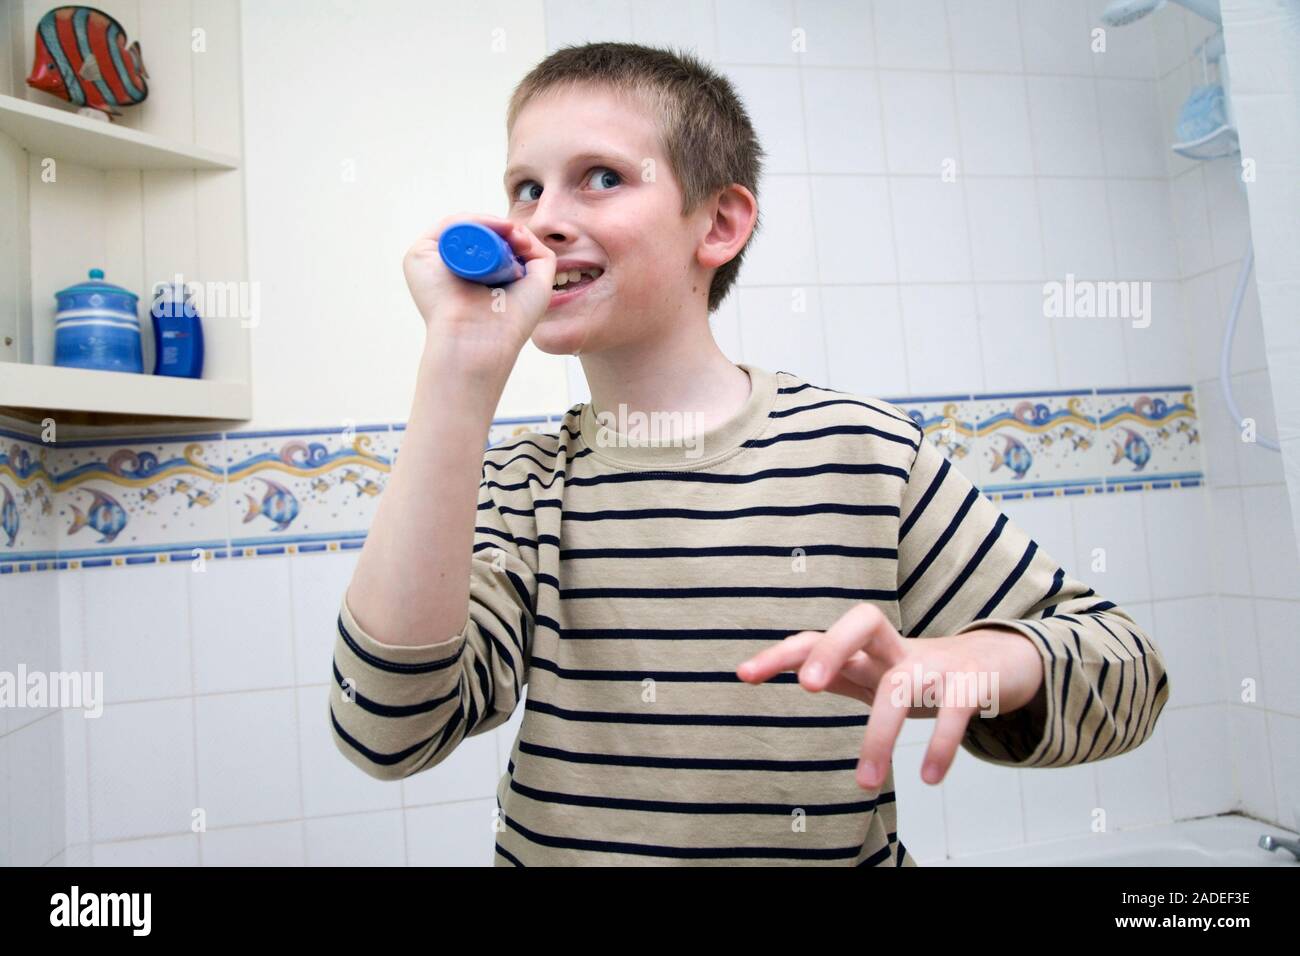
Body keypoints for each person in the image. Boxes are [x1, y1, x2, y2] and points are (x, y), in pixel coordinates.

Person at [329, 41, 1170, 866]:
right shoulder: (522, 487)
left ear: (720, 223)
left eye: (602, 176)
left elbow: (1129, 674)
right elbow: (386, 731)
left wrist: (988, 659)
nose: (541, 218)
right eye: (525, 187)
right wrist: (458, 374)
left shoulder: (864, 455)